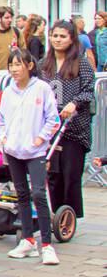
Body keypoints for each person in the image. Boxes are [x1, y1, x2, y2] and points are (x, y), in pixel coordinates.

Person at [0, 48, 62, 266]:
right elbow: (1, 118)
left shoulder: (42, 89)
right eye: (11, 65)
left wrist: (41, 138)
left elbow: (53, 118)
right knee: (22, 194)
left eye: (18, 65)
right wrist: (3, 138)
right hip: (14, 150)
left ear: (29, 66)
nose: (14, 70)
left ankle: (47, 245)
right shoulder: (8, 91)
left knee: (38, 194)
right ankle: (27, 239)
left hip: (35, 151)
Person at [39, 19, 95, 221]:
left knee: (71, 174)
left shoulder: (82, 64)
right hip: (51, 127)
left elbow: (89, 90)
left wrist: (75, 103)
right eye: (55, 36)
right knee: (53, 175)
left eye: (63, 36)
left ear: (71, 39)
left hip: (74, 128)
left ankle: (69, 216)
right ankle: (57, 214)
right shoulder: (43, 65)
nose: (58, 40)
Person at [0, 6, 18, 72]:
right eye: (7, 18)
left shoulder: (17, 32)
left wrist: (18, 51)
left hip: (12, 71)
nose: (10, 20)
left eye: (11, 17)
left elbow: (24, 52)